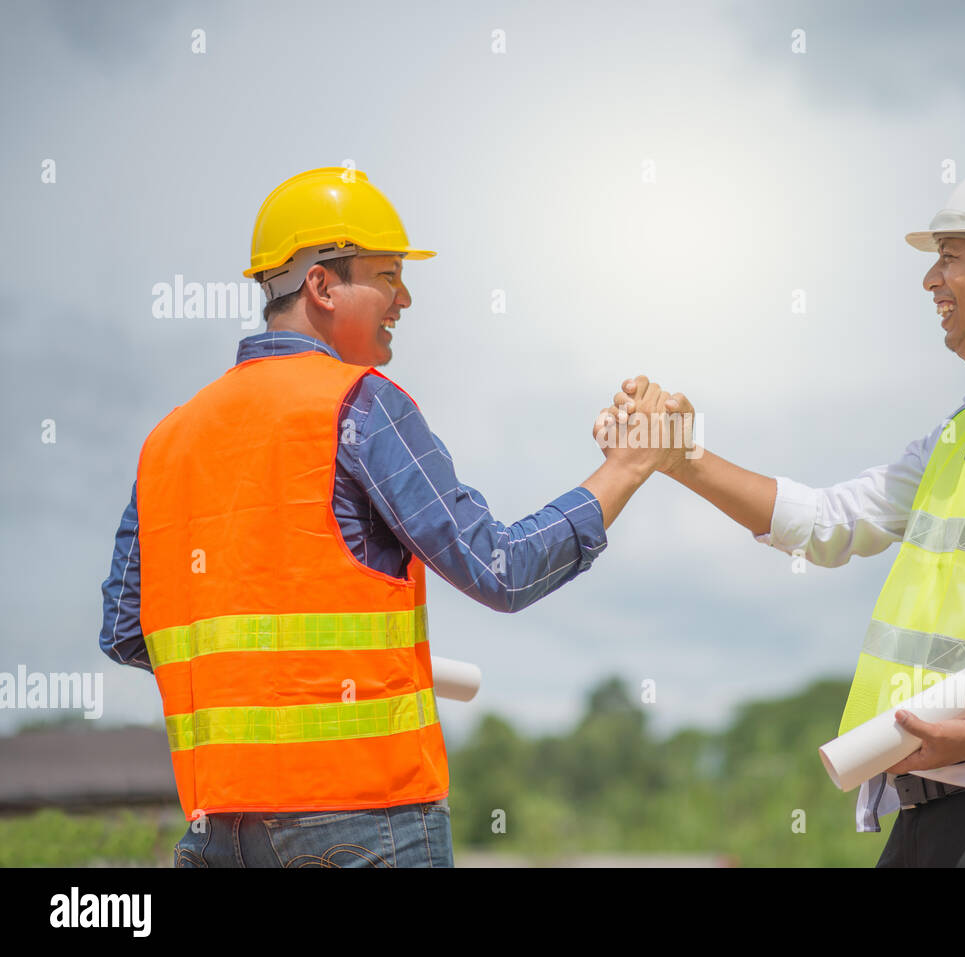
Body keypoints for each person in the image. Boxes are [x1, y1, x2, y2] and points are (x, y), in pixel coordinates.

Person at [99, 166, 679, 868]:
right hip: (362, 825)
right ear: (321, 285)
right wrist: (627, 467)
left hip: (216, 832)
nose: (405, 298)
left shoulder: (167, 439)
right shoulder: (362, 405)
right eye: (389, 276)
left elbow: (129, 630)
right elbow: (502, 568)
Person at [608, 158, 965, 866]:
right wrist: (681, 458)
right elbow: (826, 523)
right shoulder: (960, 435)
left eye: (949, 259)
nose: (931, 281)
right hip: (934, 819)